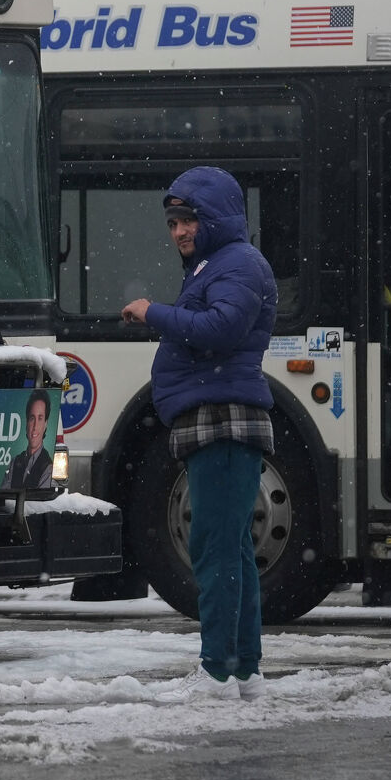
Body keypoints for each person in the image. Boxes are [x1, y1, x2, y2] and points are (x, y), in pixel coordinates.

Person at [122, 167, 276, 702]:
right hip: (216, 419)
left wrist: (154, 313)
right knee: (231, 550)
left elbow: (222, 329)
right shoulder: (220, 263)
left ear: (215, 217)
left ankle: (216, 673)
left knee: (214, 549)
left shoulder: (236, 263)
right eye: (172, 222)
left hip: (224, 421)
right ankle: (244, 671)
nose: (179, 231)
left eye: (188, 219)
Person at [0, 389, 56, 490]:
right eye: (32, 418)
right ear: (26, 423)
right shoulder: (15, 462)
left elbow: (39, 503)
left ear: (45, 424)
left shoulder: (48, 468)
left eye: (40, 418)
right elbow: (3, 496)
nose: (35, 426)